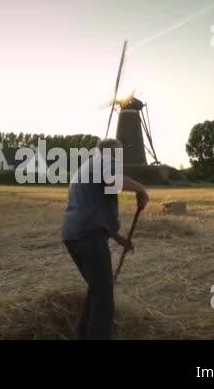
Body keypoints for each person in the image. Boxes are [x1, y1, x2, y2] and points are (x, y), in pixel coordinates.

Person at [62, 138, 149, 340]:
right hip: (87, 237)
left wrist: (118, 238)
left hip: (74, 235)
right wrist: (141, 189)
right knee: (104, 297)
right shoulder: (105, 162)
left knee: (97, 288)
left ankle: (82, 334)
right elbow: (114, 180)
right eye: (120, 154)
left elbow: (95, 210)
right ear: (113, 153)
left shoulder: (88, 167)